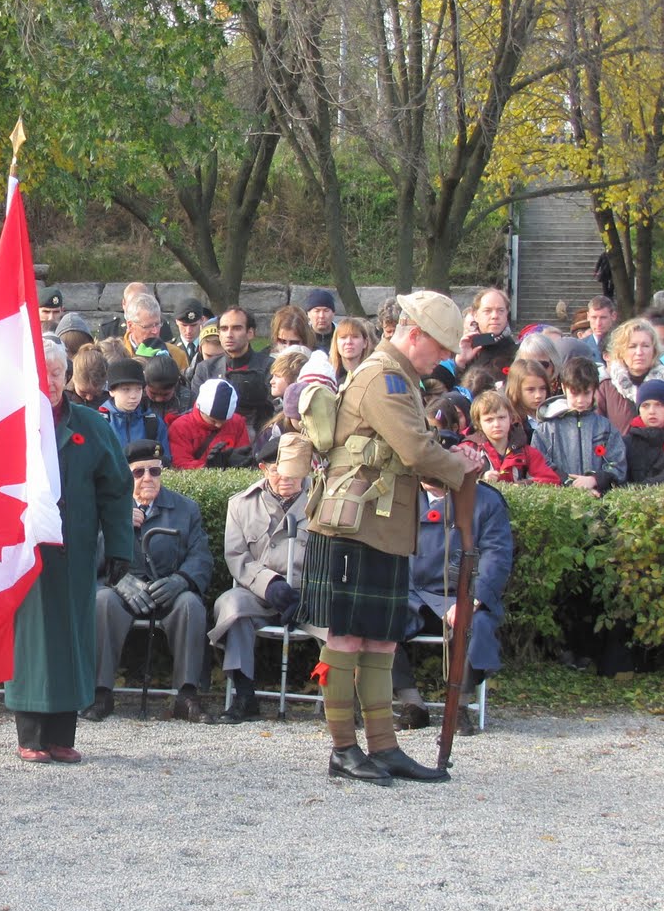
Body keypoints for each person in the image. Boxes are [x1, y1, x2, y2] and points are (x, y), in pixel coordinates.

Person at [299, 290, 483, 786]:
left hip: (376, 522)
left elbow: (412, 450)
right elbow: (416, 451)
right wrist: (461, 467)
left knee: (380, 639)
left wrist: (450, 461)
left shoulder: (399, 377)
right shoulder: (385, 376)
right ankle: (343, 748)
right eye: (440, 347)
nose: (444, 358)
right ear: (414, 334)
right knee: (346, 637)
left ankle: (383, 746)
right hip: (352, 523)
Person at [3, 337, 132, 762]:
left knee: (72, 639)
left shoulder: (93, 427)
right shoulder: (9, 427)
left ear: (68, 376)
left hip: (74, 554)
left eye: (57, 373)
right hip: (25, 552)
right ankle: (30, 736)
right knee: (33, 640)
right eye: (43, 374)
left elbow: (116, 491)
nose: (51, 382)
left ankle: (62, 736)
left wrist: (118, 547)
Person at [85, 439, 215, 724]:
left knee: (191, 605)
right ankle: (100, 693)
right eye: (138, 472)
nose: (147, 478)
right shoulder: (105, 507)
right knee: (102, 601)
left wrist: (181, 580)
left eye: (154, 471)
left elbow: (201, 557)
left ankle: (187, 695)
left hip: (167, 588)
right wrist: (116, 530)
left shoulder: (185, 509)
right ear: (125, 474)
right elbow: (87, 558)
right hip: (120, 590)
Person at [392, 478, 514, 732]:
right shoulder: (402, 493)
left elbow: (497, 554)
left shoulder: (485, 499)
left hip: (461, 592)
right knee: (375, 617)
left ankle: (458, 707)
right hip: (410, 591)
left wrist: (473, 599)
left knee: (474, 625)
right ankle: (412, 703)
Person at [210, 436, 309, 723]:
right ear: (263, 469)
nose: (285, 476)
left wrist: (308, 593)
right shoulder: (240, 504)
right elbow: (237, 557)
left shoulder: (322, 502)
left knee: (341, 614)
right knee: (232, 607)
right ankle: (244, 696)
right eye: (276, 468)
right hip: (259, 591)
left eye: (292, 468)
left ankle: (338, 702)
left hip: (308, 593)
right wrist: (270, 584)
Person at [532, 355, 627, 495]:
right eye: (575, 393)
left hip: (599, 502)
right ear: (564, 388)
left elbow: (618, 465)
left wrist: (595, 480)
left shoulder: (606, 428)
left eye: (586, 393)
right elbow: (539, 464)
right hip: (558, 503)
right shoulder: (546, 429)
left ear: (595, 389)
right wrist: (570, 483)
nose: (580, 400)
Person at [598, 318, 664, 432]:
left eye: (645, 346)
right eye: (632, 346)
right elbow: (598, 433)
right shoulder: (605, 389)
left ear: (654, 350)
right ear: (620, 352)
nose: (639, 352)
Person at [192, 306, 273, 429]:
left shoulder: (269, 367)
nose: (229, 334)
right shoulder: (205, 369)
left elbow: (275, 412)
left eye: (236, 328)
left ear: (250, 333)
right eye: (224, 329)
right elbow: (195, 412)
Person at [467, 390, 560, 484]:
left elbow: (552, 480)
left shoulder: (527, 452)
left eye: (501, 417)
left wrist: (524, 485)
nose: (496, 424)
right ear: (478, 423)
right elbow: (456, 481)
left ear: (511, 418)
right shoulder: (469, 450)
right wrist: (481, 478)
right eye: (489, 420)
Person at [98, 357, 171, 462]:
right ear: (111, 391)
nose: (133, 396)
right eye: (126, 389)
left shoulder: (153, 422)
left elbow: (164, 461)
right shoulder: (99, 422)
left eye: (138, 389)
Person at [168, 377, 249, 469]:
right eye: (213, 421)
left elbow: (243, 453)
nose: (219, 425)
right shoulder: (181, 427)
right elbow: (180, 462)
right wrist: (206, 468)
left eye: (223, 421)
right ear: (201, 410)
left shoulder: (237, 422)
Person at [623, 379, 664, 485]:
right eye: (645, 405)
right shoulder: (627, 443)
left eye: (659, 405)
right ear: (639, 409)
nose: (652, 411)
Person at [121, 294, 188, 371]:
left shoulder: (177, 355)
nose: (155, 331)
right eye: (147, 326)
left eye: (157, 324)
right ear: (130, 326)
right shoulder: (116, 354)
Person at [504, 358, 549, 446]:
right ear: (516, 389)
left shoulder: (554, 414)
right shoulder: (511, 423)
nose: (538, 395)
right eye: (531, 390)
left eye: (542, 388)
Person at [578, 296, 618, 365]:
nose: (598, 323)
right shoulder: (579, 347)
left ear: (613, 316)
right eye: (594, 317)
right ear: (588, 316)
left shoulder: (624, 344)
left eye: (603, 318)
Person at [69, 343, 108, 408]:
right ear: (74, 378)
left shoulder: (111, 397)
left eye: (96, 392)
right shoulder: (64, 397)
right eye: (83, 392)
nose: (89, 398)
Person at [172, 298, 210, 363]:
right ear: (176, 321)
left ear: (202, 320)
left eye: (193, 325)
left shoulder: (210, 346)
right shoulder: (170, 349)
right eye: (184, 325)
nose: (188, 331)